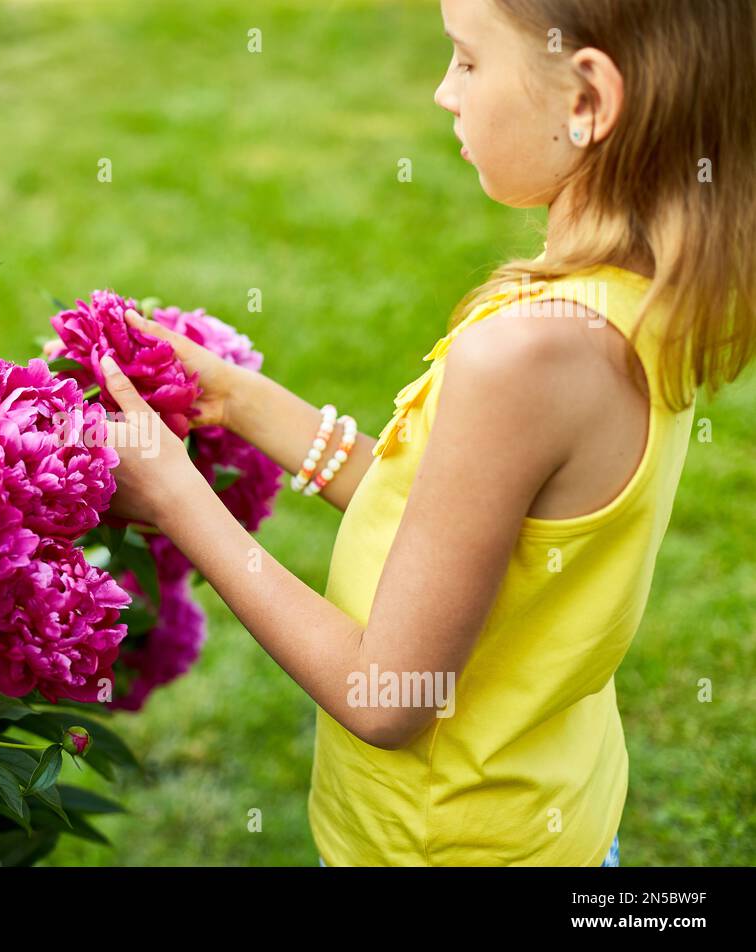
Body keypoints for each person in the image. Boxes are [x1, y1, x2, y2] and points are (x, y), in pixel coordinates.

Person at [97, 0, 756, 865]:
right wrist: (245, 402)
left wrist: (178, 499)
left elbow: (386, 697)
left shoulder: (526, 355)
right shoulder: (633, 301)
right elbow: (445, 517)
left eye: (469, 61)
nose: (444, 92)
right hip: (549, 819)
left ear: (588, 100)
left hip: (443, 844)